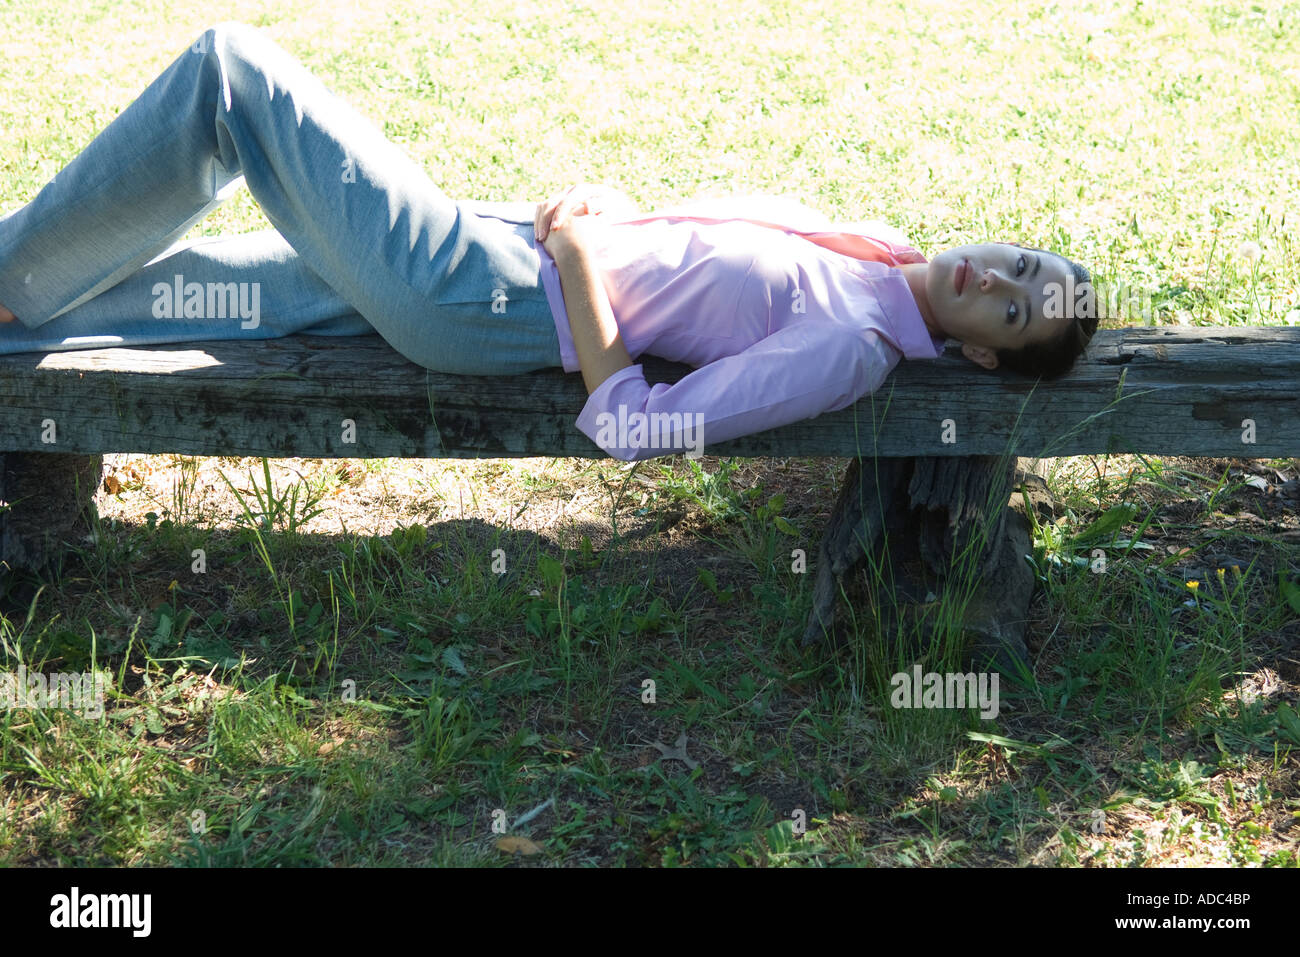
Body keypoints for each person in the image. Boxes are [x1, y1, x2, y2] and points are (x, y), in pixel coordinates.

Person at [0, 22, 1096, 462]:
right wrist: (612, 219)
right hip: (498, 248)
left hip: (483, 299)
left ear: (984, 354)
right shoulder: (880, 248)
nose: (1000, 278)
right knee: (195, 294)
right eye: (1029, 267)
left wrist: (578, 262)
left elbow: (640, 430)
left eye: (1011, 309)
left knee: (231, 73)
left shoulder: (854, 348)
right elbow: (695, 257)